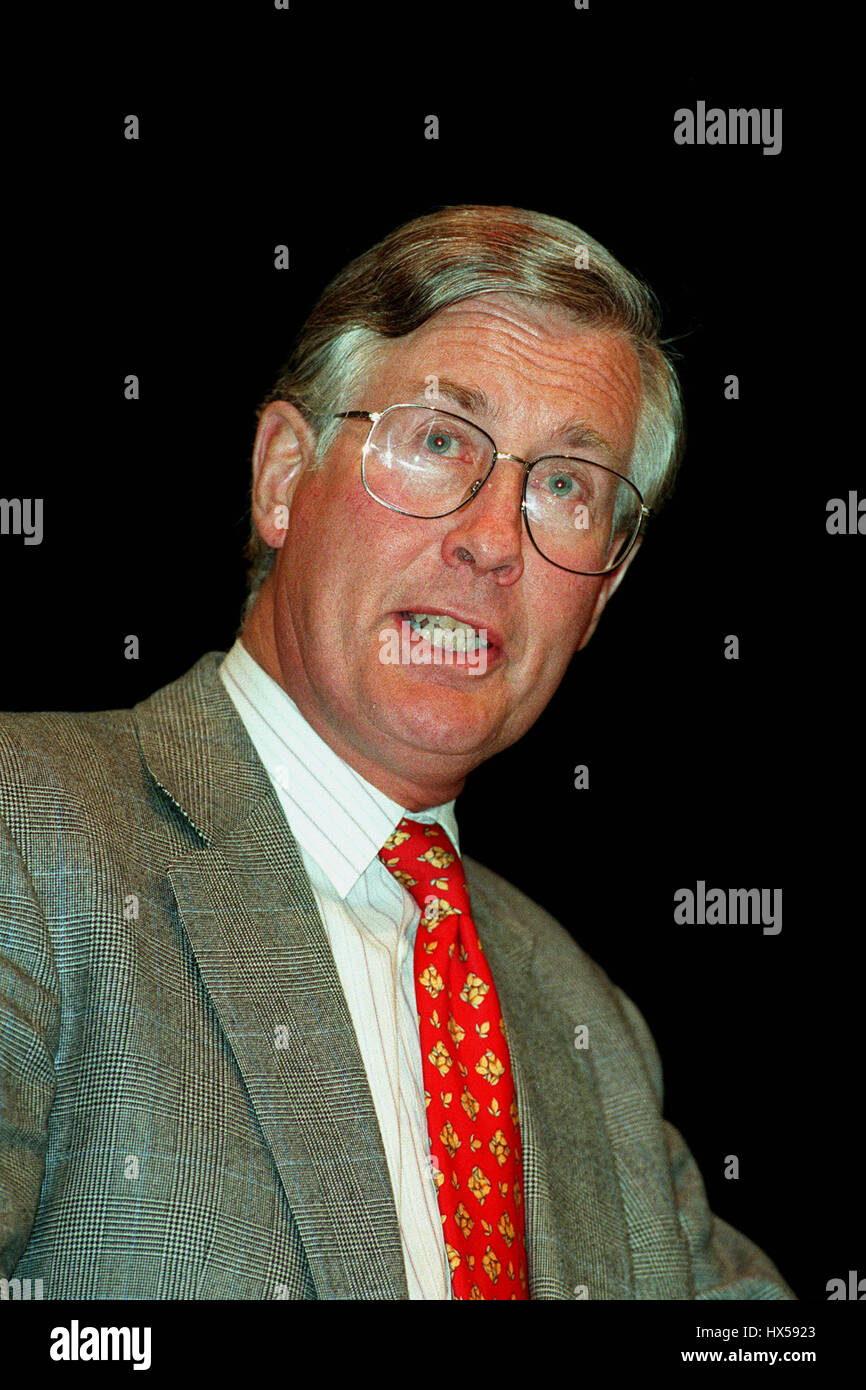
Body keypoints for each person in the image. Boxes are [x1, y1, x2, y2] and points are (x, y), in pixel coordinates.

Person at [0, 205, 794, 1300]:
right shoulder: (27, 830)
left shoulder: (585, 1022)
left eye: (564, 484)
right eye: (437, 442)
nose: (490, 540)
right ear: (283, 474)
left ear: (601, 594)